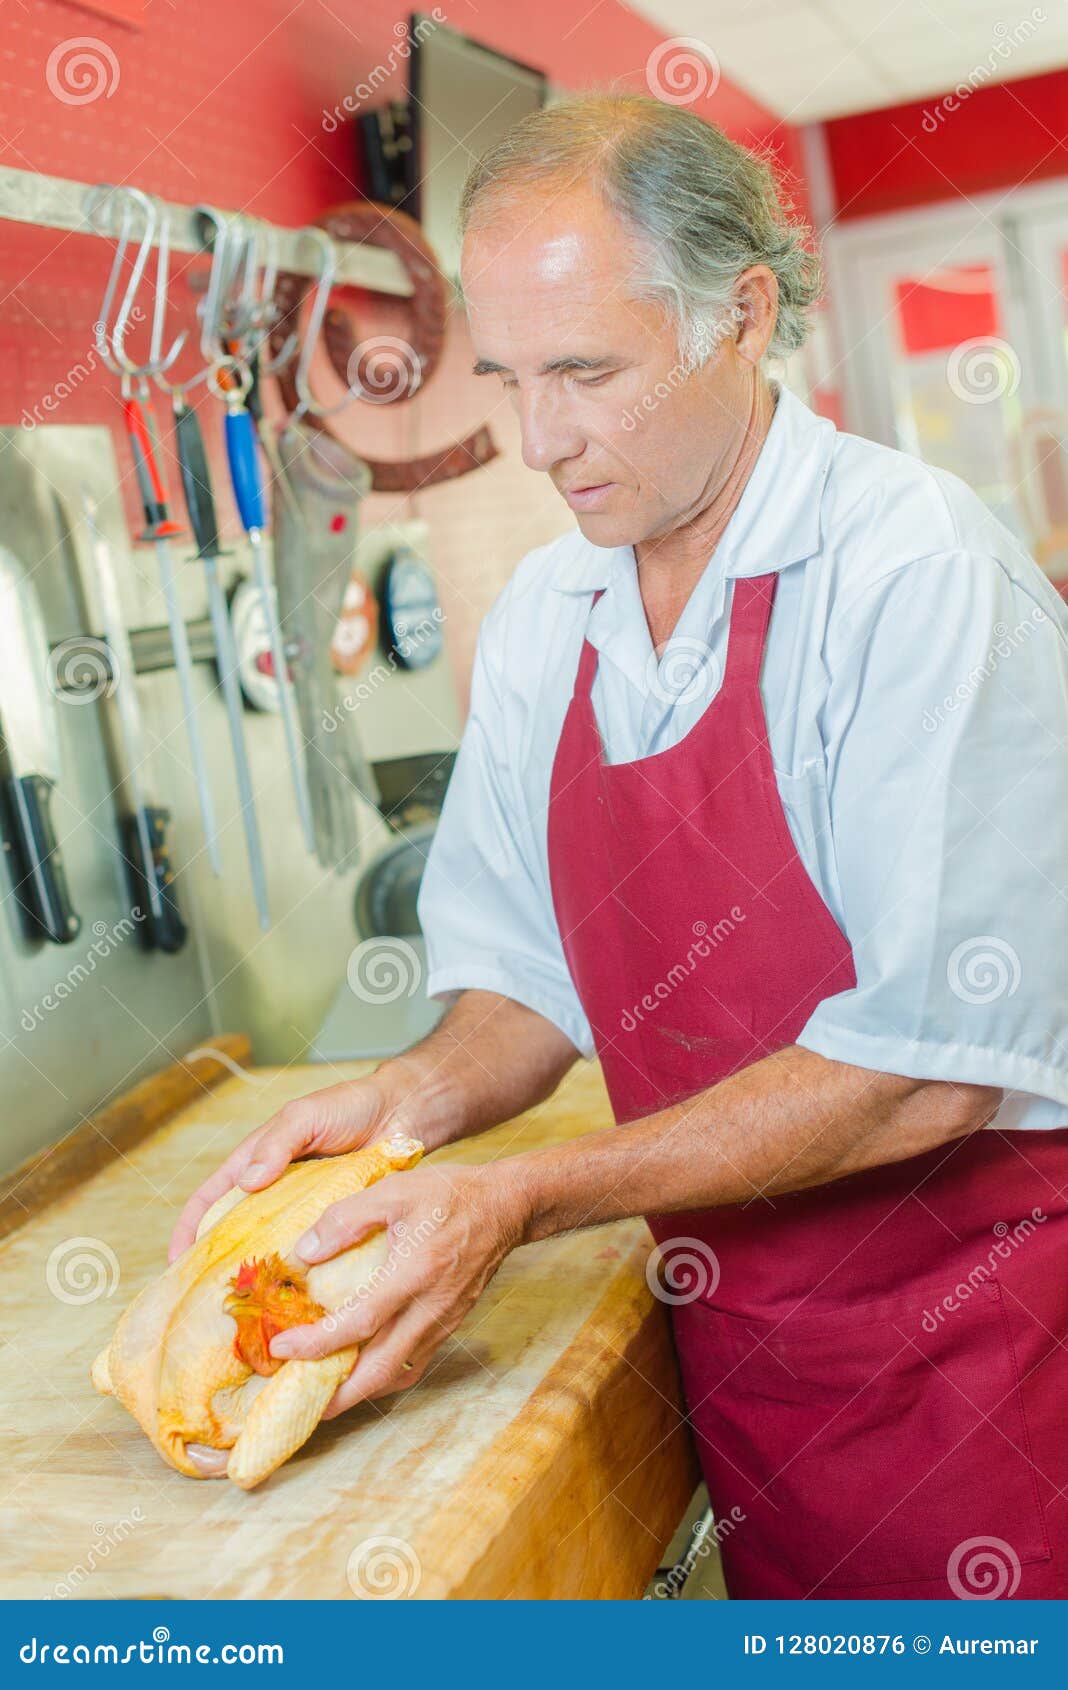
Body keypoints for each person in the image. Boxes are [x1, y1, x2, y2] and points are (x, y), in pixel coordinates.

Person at [172, 94, 1068, 1599]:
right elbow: (522, 985)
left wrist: (525, 1191)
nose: (540, 441)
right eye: (512, 378)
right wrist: (404, 1100)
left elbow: (932, 1058)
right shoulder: (548, 616)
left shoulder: (912, 575)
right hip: (754, 1362)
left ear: (743, 315)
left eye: (587, 372)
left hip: (991, 1359)